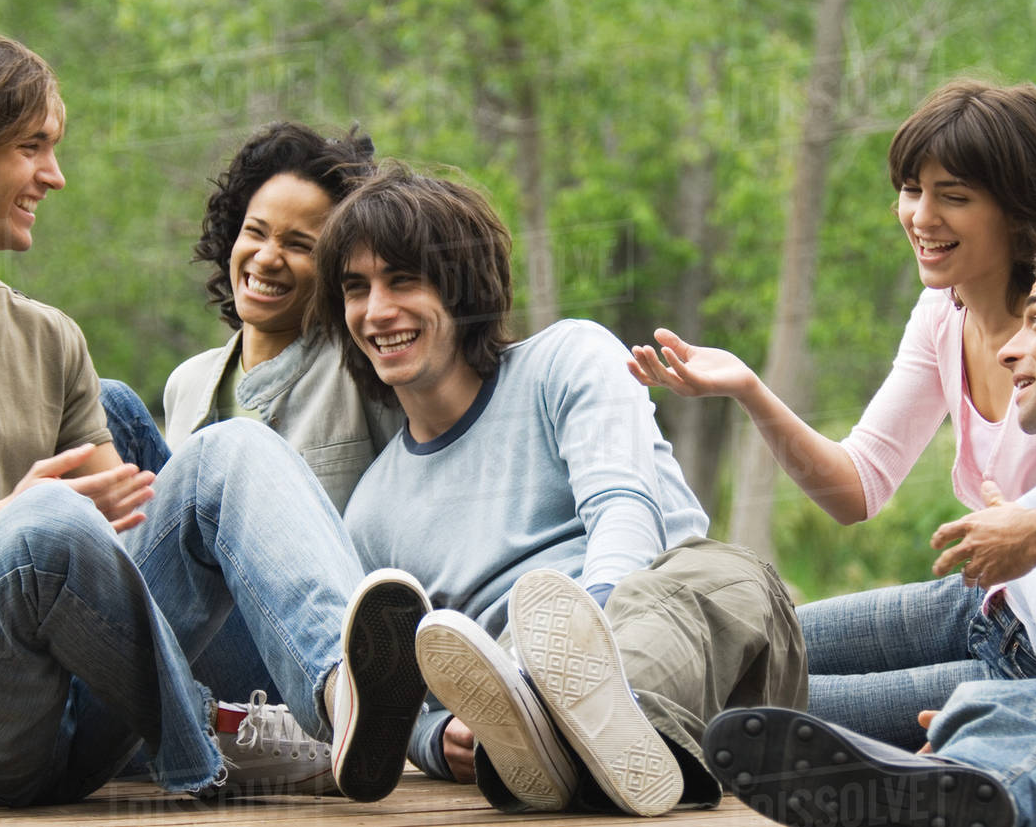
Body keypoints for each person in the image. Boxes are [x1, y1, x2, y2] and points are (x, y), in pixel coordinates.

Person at [0, 15, 430, 809]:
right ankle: (206, 749)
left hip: (72, 728)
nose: (54, 176)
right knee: (47, 519)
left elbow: (127, 550)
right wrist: (5, 521)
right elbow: (41, 532)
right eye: (32, 148)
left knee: (229, 449)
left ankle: (343, 698)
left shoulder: (51, 338)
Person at [310, 164, 807, 816]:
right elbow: (408, 696)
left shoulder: (566, 360)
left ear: (462, 288)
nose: (377, 310)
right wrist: (438, 739)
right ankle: (580, 748)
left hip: (706, 659)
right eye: (357, 289)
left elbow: (624, 511)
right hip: (542, 722)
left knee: (721, 567)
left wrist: (573, 651)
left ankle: (564, 723)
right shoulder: (373, 511)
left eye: (403, 279)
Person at [628, 79, 1036, 749]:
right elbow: (858, 486)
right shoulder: (941, 312)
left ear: (1018, 209)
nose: (921, 217)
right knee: (741, 640)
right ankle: (547, 693)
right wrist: (750, 390)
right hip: (978, 600)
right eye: (911, 189)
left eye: (953, 196)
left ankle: (571, 731)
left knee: (741, 703)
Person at [704, 230, 1036, 827]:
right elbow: (861, 477)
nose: (1009, 349)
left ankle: (952, 786)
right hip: (1011, 630)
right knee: (740, 649)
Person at [104, 121, 402, 708]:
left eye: (299, 245)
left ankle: (347, 703)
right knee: (109, 402)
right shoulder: (188, 382)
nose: (267, 258)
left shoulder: (362, 365)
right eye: (256, 233)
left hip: (291, 649)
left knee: (235, 447)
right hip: (185, 629)